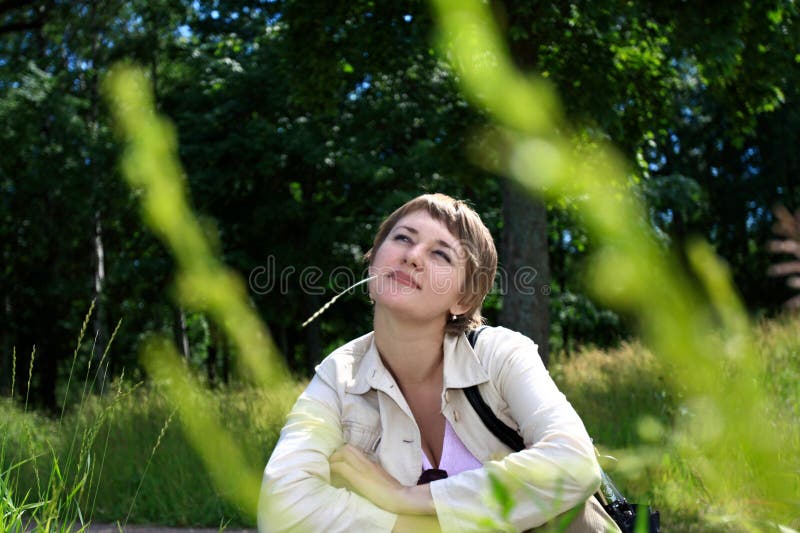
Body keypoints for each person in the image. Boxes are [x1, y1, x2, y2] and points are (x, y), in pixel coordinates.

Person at [259, 193, 614, 532]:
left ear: (463, 298)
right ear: (373, 262)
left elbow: (574, 463)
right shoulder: (340, 376)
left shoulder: (501, 355)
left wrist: (406, 497)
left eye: (441, 254)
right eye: (402, 238)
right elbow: (281, 504)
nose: (413, 256)